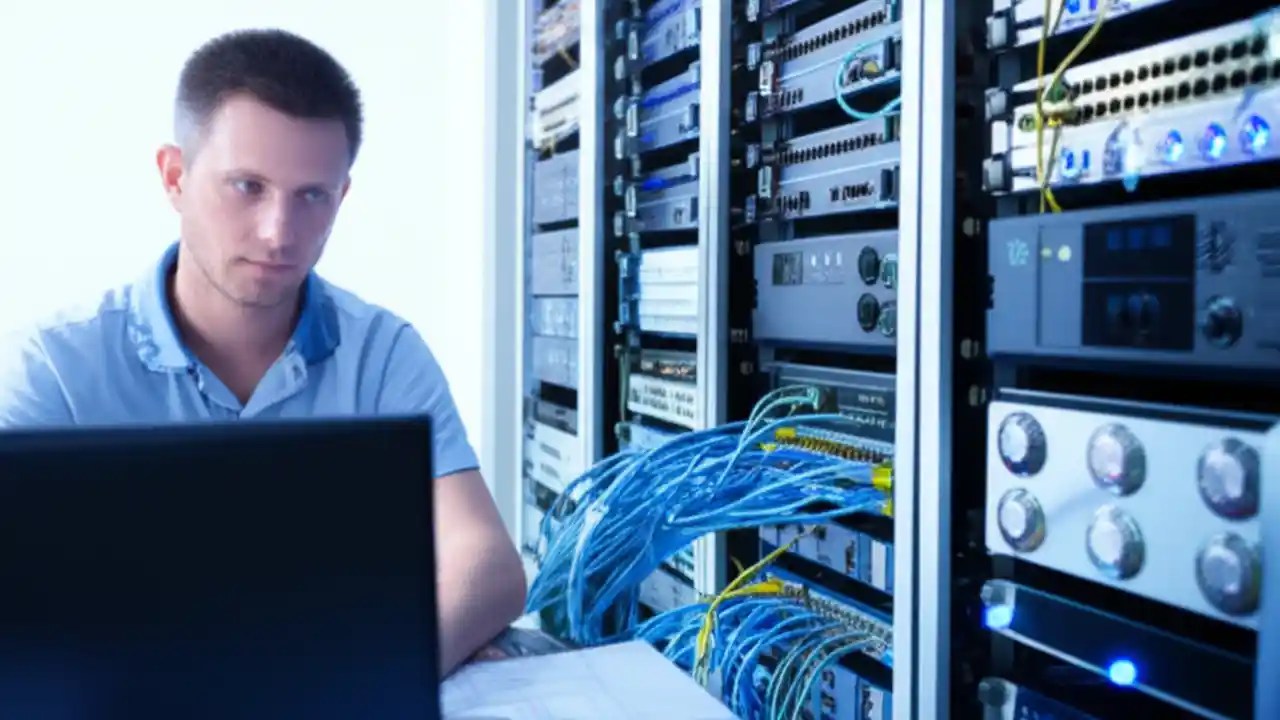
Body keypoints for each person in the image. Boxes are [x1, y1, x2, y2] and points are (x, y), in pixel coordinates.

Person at [0, 28, 526, 677]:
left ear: (342, 198)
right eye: (247, 186)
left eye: (312, 196)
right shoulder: (53, 367)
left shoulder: (383, 353)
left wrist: (380, 669)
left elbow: (489, 565)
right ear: (174, 176)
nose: (280, 232)